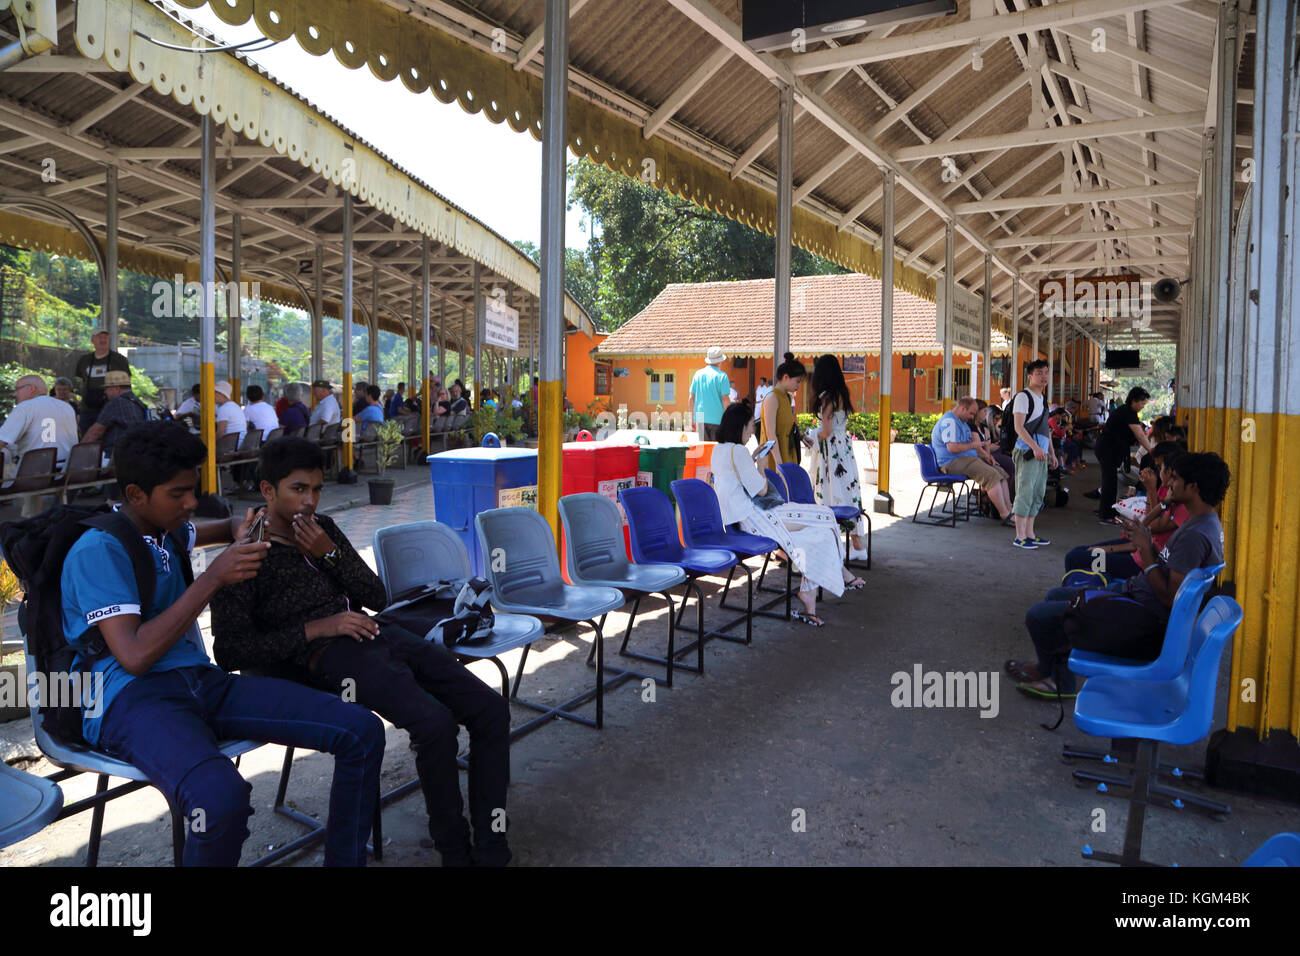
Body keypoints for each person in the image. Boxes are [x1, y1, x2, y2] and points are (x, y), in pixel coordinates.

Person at [60, 422, 384, 865]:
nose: (191, 503)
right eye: (178, 494)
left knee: (361, 730)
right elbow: (134, 655)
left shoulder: (167, 529)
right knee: (219, 800)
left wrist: (251, 528)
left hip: (199, 681)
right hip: (129, 699)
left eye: (193, 490)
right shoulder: (99, 550)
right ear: (136, 495)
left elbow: (228, 524)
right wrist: (215, 577)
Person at [209, 438, 510, 866]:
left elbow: (376, 595)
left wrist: (328, 554)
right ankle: (454, 849)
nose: (309, 501)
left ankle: (492, 843)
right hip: (324, 659)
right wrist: (318, 628)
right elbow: (231, 651)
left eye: (316, 489)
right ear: (267, 490)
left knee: (491, 709)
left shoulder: (322, 530)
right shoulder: (245, 557)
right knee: (436, 725)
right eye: (298, 489)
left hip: (376, 633)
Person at [1009, 451, 1229, 699]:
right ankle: (1049, 671)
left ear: (1194, 487)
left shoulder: (1194, 535)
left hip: (1144, 617)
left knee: (1038, 615)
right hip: (1138, 594)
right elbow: (1168, 566)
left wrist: (1145, 551)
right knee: (1054, 595)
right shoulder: (1203, 523)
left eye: (1175, 479)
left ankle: (1060, 682)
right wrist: (1146, 543)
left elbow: (1170, 598)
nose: (1169, 484)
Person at [711, 403, 862, 627]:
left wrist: (752, 461)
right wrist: (761, 465)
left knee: (815, 535)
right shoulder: (738, 452)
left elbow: (736, 480)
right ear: (740, 427)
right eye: (750, 426)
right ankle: (840, 572)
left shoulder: (719, 450)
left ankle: (809, 599)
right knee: (826, 517)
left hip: (744, 519)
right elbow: (760, 490)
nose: (752, 432)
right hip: (757, 518)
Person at [1063, 441, 1188, 582]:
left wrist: (1152, 490)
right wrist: (1109, 549)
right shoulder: (1169, 490)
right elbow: (1147, 527)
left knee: (1075, 558)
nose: (1158, 473)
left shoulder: (1181, 505)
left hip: (1141, 564)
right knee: (1079, 552)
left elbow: (1149, 527)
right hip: (1139, 553)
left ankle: (1080, 594)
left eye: (1159, 467)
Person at [807, 354, 869, 555]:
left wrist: (807, 436)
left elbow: (825, 431)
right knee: (847, 490)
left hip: (830, 449)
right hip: (844, 448)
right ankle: (857, 542)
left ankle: (831, 544)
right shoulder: (842, 394)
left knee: (828, 491)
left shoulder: (827, 398)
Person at [930, 396, 1014, 523]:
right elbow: (953, 448)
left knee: (1000, 472)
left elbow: (971, 447)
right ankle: (1005, 515)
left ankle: (1010, 510)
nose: (972, 417)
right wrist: (975, 445)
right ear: (963, 408)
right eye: (971, 413)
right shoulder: (950, 421)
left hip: (966, 459)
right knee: (991, 475)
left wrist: (987, 456)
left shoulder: (961, 422)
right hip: (951, 462)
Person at [1008, 360, 1057, 549]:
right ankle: (1020, 536)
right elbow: (1018, 427)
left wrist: (1051, 453)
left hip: (1041, 453)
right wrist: (1035, 447)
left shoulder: (1043, 399)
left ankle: (1030, 533)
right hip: (1026, 452)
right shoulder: (1023, 397)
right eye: (1039, 373)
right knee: (1025, 492)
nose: (1043, 376)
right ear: (1029, 376)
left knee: (1037, 493)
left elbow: (1046, 431)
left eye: (1046, 372)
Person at [1096, 387, 1155, 526]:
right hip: (1107, 449)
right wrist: (1152, 451)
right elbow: (1140, 435)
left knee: (1111, 481)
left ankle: (1108, 511)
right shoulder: (1128, 412)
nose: (1142, 407)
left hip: (1111, 450)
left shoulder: (1126, 411)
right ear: (1133, 401)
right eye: (1141, 403)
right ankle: (1106, 515)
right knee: (1109, 482)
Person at [0, 374, 78, 468]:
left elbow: (1, 441)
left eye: (17, 389)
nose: (15, 394)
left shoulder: (25, 407)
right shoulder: (67, 407)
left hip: (34, 472)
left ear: (31, 388)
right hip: (65, 471)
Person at [74, 328, 131, 435]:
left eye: (105, 337)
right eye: (100, 337)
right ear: (92, 340)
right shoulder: (84, 360)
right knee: (88, 438)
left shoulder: (119, 360)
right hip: (88, 409)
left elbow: (127, 384)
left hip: (113, 408)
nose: (103, 340)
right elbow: (79, 381)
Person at [759, 353, 810, 474]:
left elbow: (788, 425)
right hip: (775, 456)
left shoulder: (787, 397)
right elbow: (770, 435)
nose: (799, 385)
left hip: (786, 451)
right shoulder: (772, 398)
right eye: (797, 381)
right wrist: (779, 464)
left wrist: (802, 437)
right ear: (786, 377)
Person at [82, 370, 147, 459]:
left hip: (115, 457)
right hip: (135, 454)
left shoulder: (116, 402)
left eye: (107, 388)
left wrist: (77, 453)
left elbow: (95, 432)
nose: (105, 392)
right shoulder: (139, 403)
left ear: (117, 388)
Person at [689, 347, 731, 441]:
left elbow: (691, 398)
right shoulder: (722, 376)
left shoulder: (697, 374)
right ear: (720, 361)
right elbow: (725, 399)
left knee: (703, 449)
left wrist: (691, 418)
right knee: (716, 450)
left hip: (700, 417)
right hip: (717, 418)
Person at [213, 381, 248, 447]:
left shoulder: (224, 408)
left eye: (214, 393)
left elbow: (220, 432)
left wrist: (211, 445)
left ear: (221, 394)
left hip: (230, 446)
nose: (212, 396)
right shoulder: (234, 405)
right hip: (240, 444)